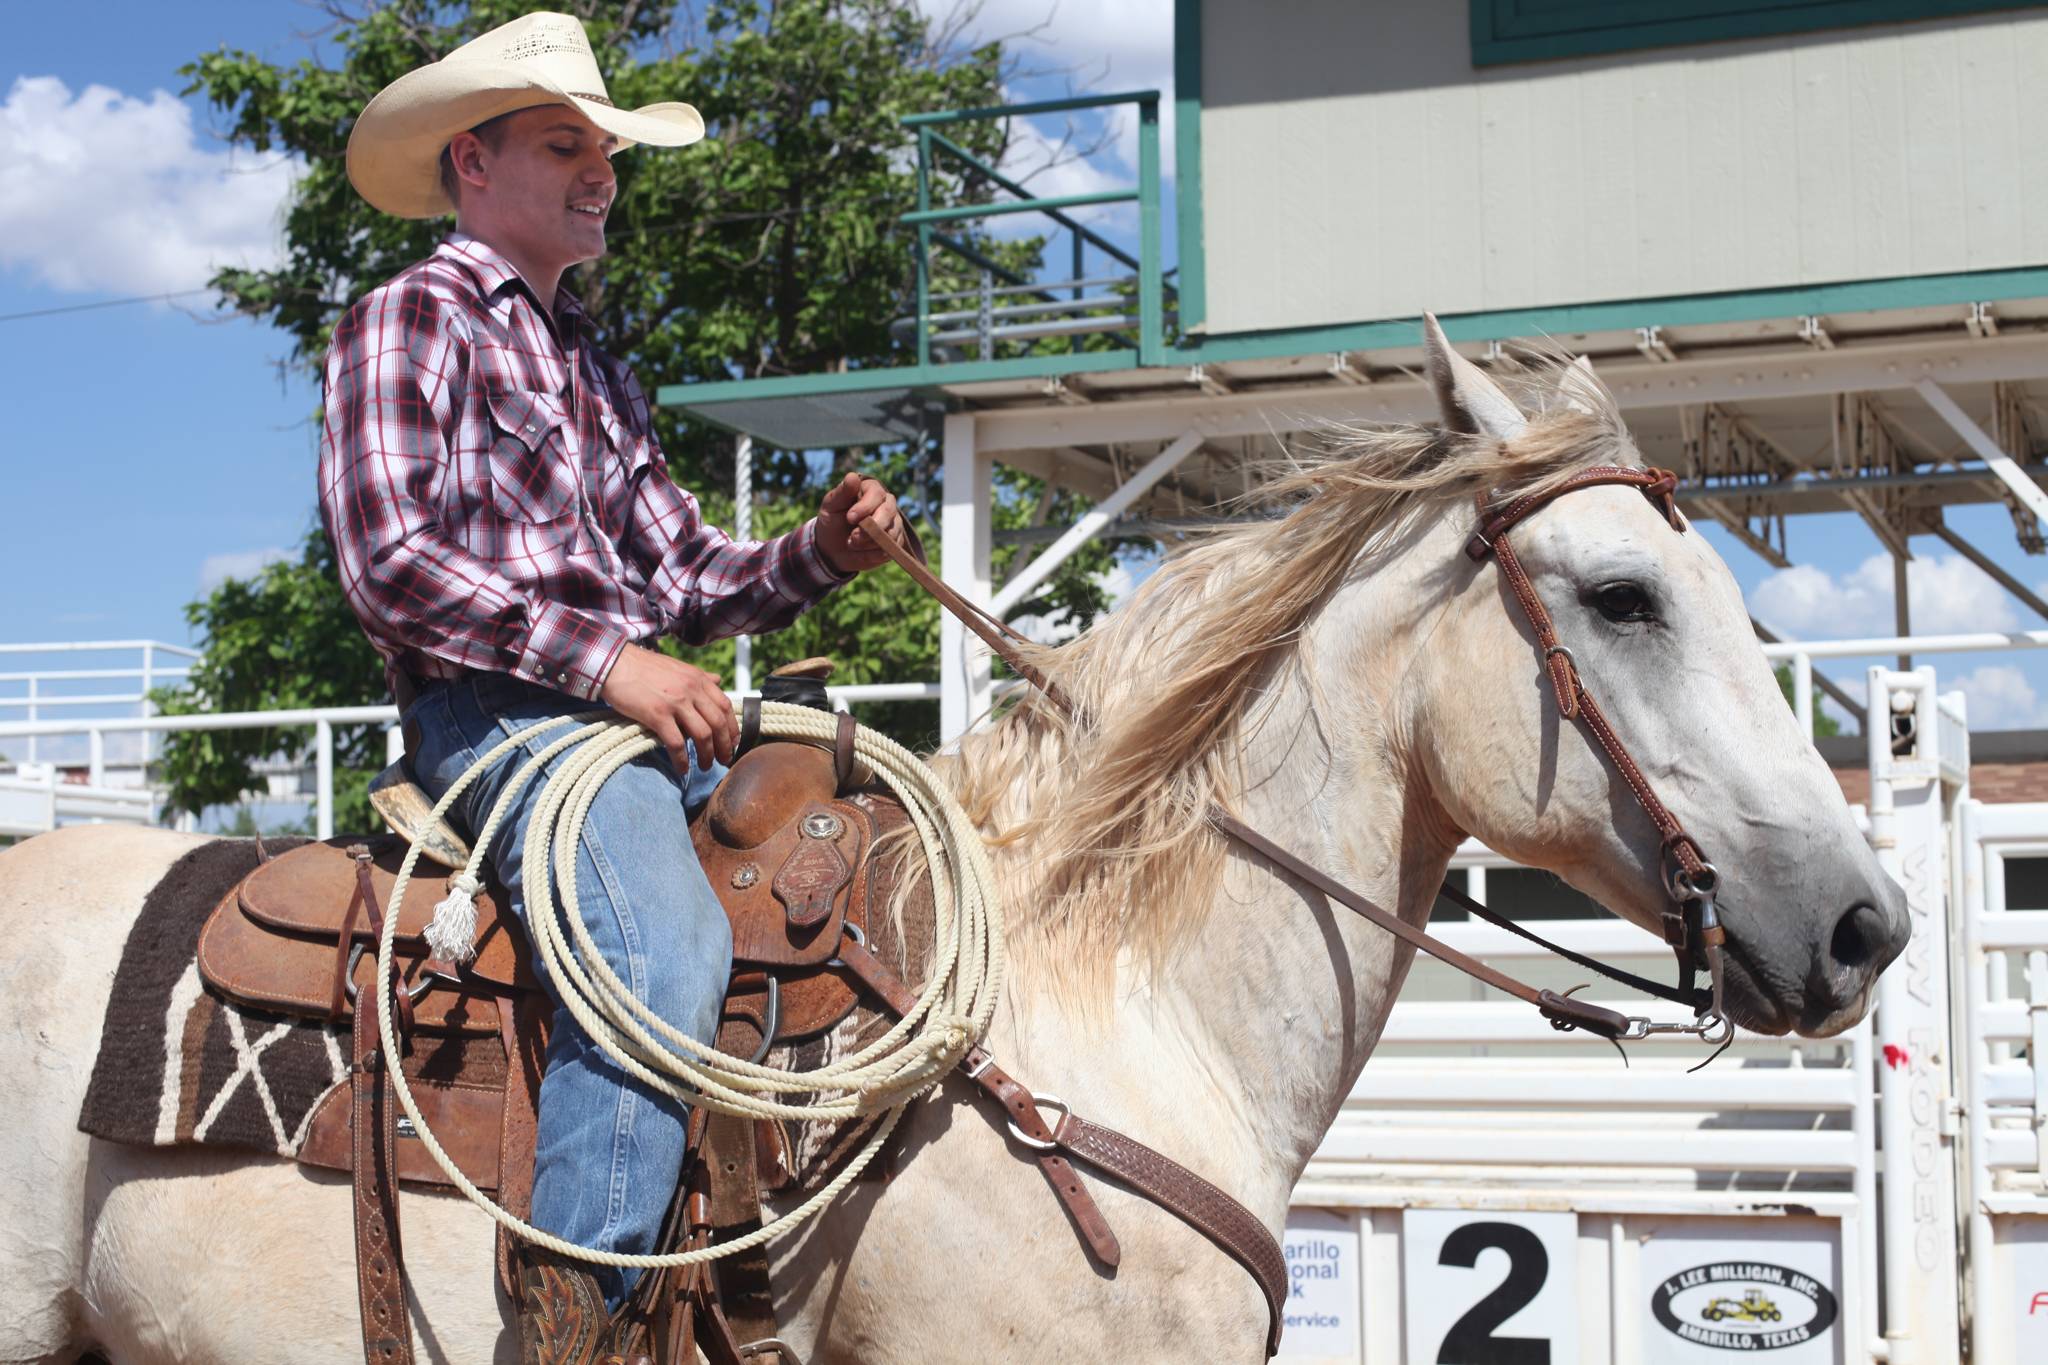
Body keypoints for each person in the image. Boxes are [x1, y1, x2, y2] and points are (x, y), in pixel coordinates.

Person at [317, 12, 904, 1358]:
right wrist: (611, 664)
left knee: (861, 872)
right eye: (565, 143)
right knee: (664, 954)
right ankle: (570, 1334)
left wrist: (821, 552)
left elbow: (691, 576)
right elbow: (390, 563)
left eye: (609, 150)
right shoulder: (410, 318)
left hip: (621, 715)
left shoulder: (593, 362)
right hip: (495, 717)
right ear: (472, 161)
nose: (602, 172)